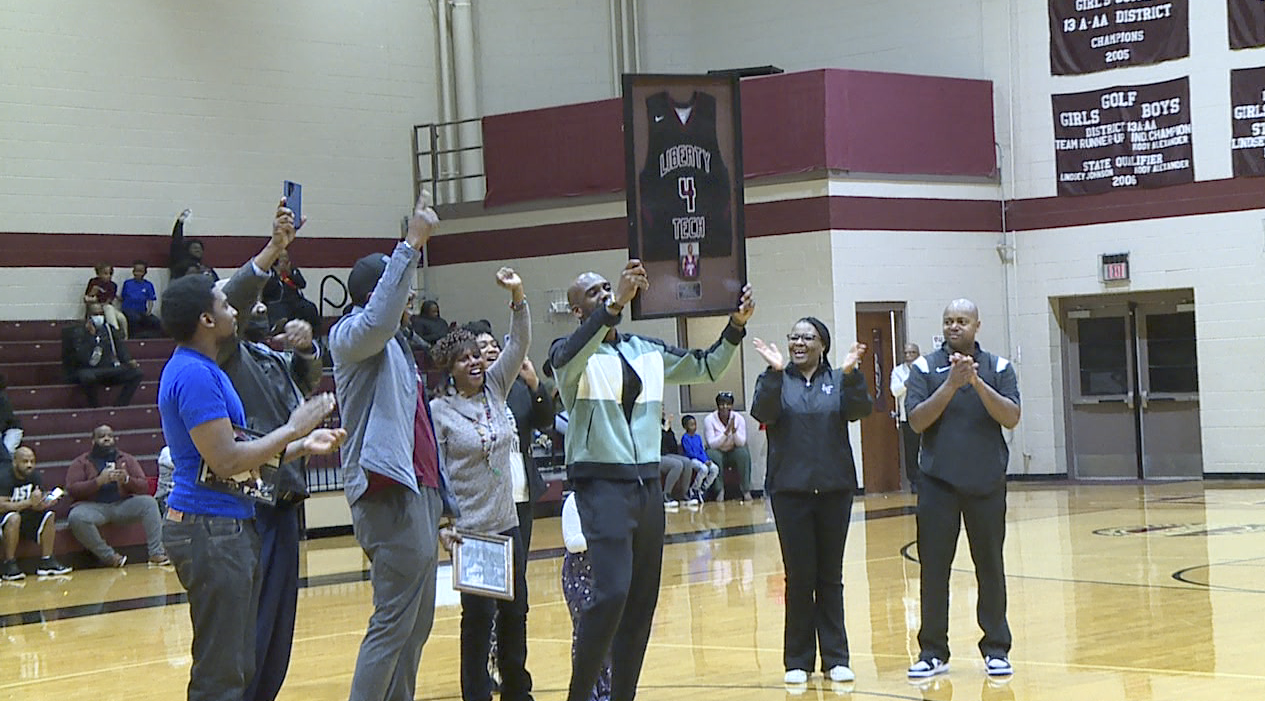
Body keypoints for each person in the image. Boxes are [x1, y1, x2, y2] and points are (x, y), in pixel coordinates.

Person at [550, 259, 754, 701]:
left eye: (609, 287)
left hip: (647, 488)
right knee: (611, 596)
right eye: (594, 293)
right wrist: (618, 303)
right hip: (600, 486)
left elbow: (706, 367)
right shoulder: (568, 355)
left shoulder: (646, 349)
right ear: (578, 311)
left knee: (641, 604)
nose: (606, 293)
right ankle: (579, 694)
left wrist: (735, 326)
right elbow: (568, 356)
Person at [158, 271, 343, 701]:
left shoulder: (203, 368)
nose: (233, 310)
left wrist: (299, 445)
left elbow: (236, 451)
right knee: (221, 672)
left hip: (225, 524)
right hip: (210, 527)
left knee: (238, 663)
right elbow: (224, 459)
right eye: (224, 305)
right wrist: (292, 428)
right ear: (206, 319)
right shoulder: (196, 374)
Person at [330, 193, 457, 701]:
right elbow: (380, 318)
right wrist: (410, 245)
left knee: (415, 624)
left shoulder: (401, 347)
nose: (408, 297)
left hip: (419, 492)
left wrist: (443, 502)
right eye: (399, 286)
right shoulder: (352, 336)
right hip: (388, 494)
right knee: (392, 624)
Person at [217, 200, 324, 701]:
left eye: (265, 304)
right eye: (250, 306)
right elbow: (236, 297)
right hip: (251, 502)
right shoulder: (226, 353)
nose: (261, 308)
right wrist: (272, 251)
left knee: (280, 619)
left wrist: (304, 348)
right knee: (254, 619)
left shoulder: (267, 353)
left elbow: (308, 379)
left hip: (285, 500)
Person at [429, 268, 534, 701]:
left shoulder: (496, 387)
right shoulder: (439, 411)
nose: (475, 362)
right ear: (450, 369)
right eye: (464, 358)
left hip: (507, 523)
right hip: (472, 532)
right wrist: (442, 522)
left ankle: (516, 690)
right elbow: (435, 473)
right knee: (478, 622)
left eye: (478, 355)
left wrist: (517, 296)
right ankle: (477, 694)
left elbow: (520, 342)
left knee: (515, 614)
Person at [751, 318, 872, 685]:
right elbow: (763, 413)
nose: (798, 343)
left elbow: (859, 411)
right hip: (790, 492)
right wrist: (773, 373)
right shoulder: (774, 378)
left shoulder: (838, 378)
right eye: (794, 337)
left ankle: (836, 658)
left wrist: (851, 374)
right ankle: (798, 661)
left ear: (823, 345)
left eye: (808, 337)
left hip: (835, 490)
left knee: (830, 577)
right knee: (800, 577)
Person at [904, 299, 1020, 680]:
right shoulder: (923, 368)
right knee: (934, 570)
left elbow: (1011, 416)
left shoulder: (999, 367)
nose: (955, 327)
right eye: (949, 321)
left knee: (990, 567)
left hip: (986, 483)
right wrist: (952, 386)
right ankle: (933, 651)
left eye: (962, 321)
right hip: (938, 486)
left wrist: (976, 383)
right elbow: (917, 421)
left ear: (977, 325)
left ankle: (996, 649)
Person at [65, 424, 169, 567]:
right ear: (93, 441)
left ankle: (156, 553)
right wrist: (98, 482)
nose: (107, 439)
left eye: (110, 436)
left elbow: (144, 486)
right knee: (76, 517)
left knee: (149, 503)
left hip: (122, 505)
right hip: (94, 507)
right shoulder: (81, 462)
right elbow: (72, 489)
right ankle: (110, 557)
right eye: (102, 436)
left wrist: (127, 480)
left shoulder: (127, 459)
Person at [560, 492, 611, 701]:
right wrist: (603, 535)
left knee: (609, 633)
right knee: (585, 632)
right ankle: (586, 692)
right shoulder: (574, 501)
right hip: (579, 574)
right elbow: (572, 542)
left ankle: (607, 690)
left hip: (606, 572)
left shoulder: (612, 498)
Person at [0, 446, 72, 580]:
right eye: (25, 461)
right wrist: (28, 503)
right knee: (14, 518)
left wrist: (43, 504)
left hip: (25, 515)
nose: (29, 465)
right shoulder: (4, 477)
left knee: (49, 515)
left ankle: (47, 561)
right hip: (5, 517)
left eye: (32, 461)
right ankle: (9, 564)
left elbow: (35, 504)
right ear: (15, 462)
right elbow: (1, 506)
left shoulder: (34, 476)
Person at [62, 301, 144, 407]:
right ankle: (94, 406)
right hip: (88, 369)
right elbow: (84, 359)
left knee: (137, 373)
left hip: (107, 368)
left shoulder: (109, 329)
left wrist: (128, 360)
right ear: (88, 316)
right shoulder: (77, 332)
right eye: (95, 314)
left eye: (101, 313)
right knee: (87, 377)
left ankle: (121, 405)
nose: (99, 317)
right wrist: (93, 338)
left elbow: (120, 347)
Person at [703, 391, 752, 501]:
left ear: (732, 406)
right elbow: (712, 444)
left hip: (733, 450)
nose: (725, 407)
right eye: (722, 404)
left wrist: (734, 432)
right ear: (717, 406)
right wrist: (726, 433)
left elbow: (741, 442)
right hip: (718, 451)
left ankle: (746, 490)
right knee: (712, 454)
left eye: (728, 404)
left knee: (743, 453)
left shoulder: (738, 418)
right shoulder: (709, 419)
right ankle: (719, 490)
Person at [263, 250, 321, 333]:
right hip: (277, 302)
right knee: (280, 312)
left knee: (310, 307)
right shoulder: (268, 272)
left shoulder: (292, 270)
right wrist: (278, 273)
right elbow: (267, 290)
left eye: (286, 256)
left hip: (294, 300)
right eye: (283, 257)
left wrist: (290, 274)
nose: (286, 259)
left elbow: (302, 284)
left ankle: (315, 336)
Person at [890, 343, 922, 492]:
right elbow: (895, 391)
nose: (909, 356)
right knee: (911, 451)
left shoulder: (923, 369)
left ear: (918, 354)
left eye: (912, 352)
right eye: (906, 353)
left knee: (928, 449)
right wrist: (907, 383)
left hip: (926, 415)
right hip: (907, 418)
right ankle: (914, 482)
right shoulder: (898, 371)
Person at [169, 208, 219, 280]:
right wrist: (180, 223)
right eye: (195, 248)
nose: (198, 250)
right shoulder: (181, 262)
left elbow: (217, 284)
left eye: (200, 248)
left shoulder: (205, 267)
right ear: (188, 250)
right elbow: (176, 242)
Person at [679, 415, 719, 501]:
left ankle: (703, 488)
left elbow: (702, 450)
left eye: (695, 424)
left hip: (702, 459)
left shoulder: (698, 437)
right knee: (704, 469)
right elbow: (690, 453)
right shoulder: (685, 438)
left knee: (715, 469)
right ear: (685, 427)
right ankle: (694, 489)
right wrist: (703, 461)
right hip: (691, 460)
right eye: (691, 425)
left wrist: (707, 459)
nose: (694, 427)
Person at [84, 262, 129, 337]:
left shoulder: (113, 285)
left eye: (110, 273)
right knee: (108, 309)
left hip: (106, 305)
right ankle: (115, 330)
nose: (108, 276)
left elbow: (109, 300)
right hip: (96, 306)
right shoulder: (93, 282)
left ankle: (125, 335)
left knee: (121, 318)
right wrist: (93, 292)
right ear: (98, 274)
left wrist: (100, 302)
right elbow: (87, 298)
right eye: (105, 273)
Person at [121, 260, 163, 338]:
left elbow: (151, 300)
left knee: (156, 322)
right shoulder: (128, 283)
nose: (138, 273)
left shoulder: (148, 285)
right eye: (136, 271)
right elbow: (123, 297)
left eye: (140, 271)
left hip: (142, 311)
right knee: (135, 319)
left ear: (145, 272)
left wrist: (149, 311)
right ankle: (133, 338)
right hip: (129, 310)